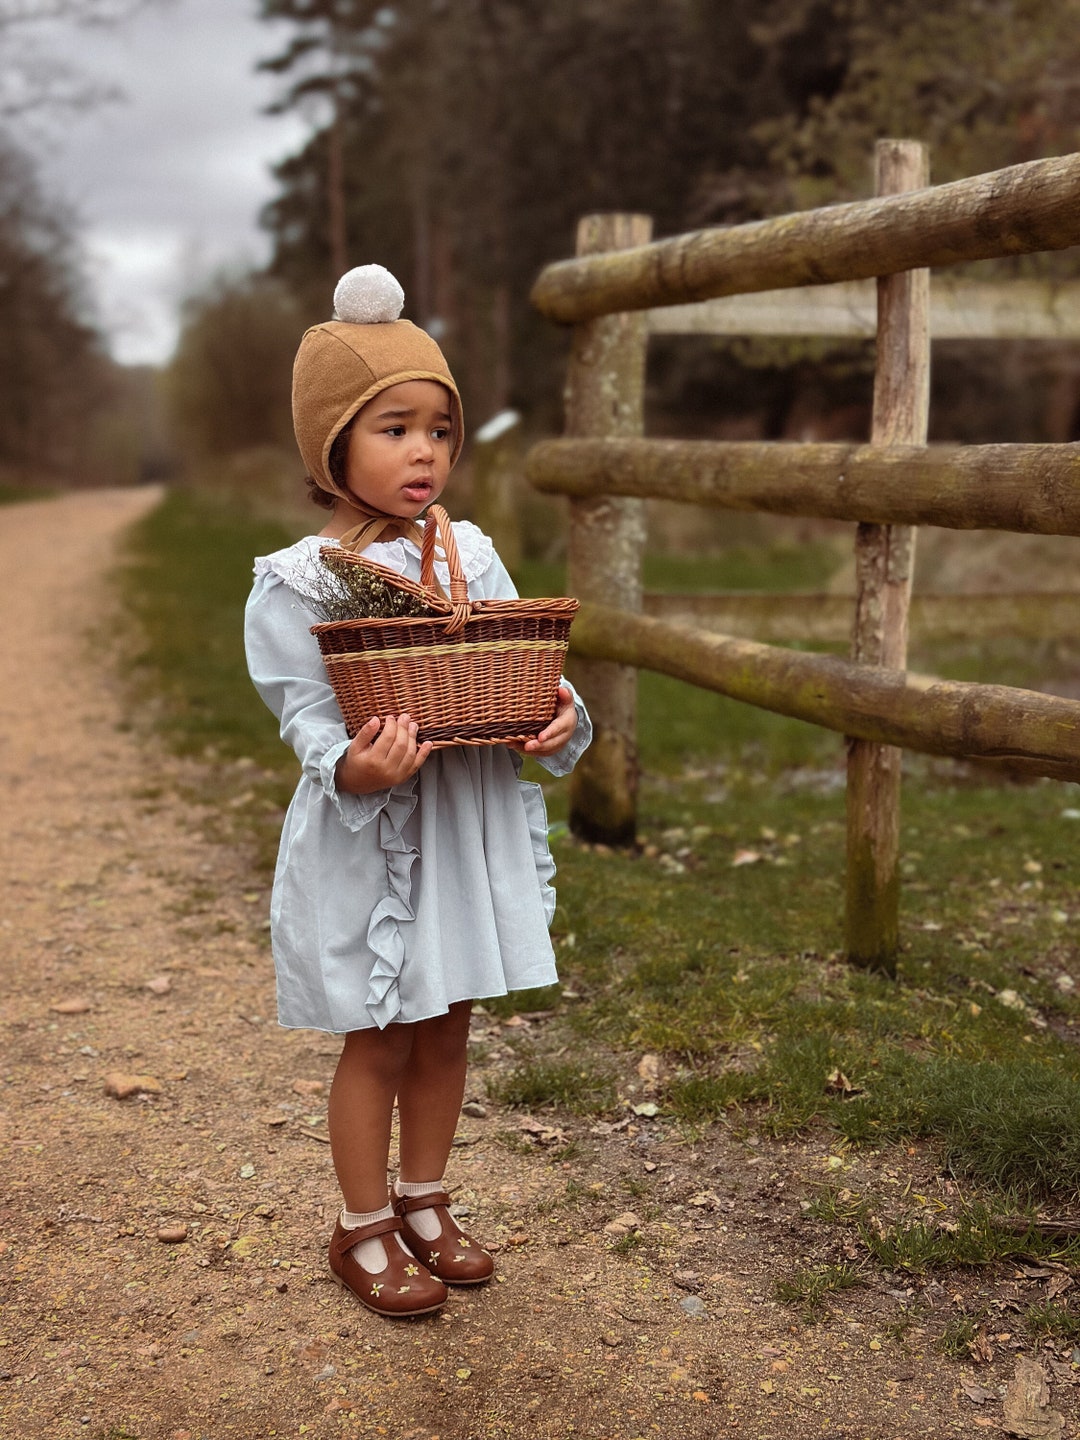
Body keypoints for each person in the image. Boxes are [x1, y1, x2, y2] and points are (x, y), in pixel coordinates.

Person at [244, 265, 591, 1319]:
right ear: (331, 447)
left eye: (440, 429)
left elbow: (515, 660)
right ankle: (360, 1225)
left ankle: (426, 1198)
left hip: (465, 819)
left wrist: (559, 714)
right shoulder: (298, 579)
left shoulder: (469, 552)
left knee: (449, 1019)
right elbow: (305, 714)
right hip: (380, 827)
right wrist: (354, 764)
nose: (425, 451)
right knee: (383, 1028)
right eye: (394, 428)